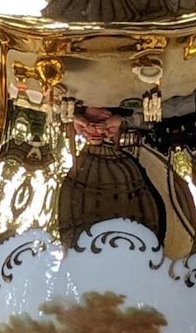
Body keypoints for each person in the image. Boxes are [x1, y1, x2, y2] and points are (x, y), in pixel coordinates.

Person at [56, 100, 167, 246]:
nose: (95, 131)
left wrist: (73, 115)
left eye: (91, 135)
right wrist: (121, 119)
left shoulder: (72, 110)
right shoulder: (132, 113)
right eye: (97, 135)